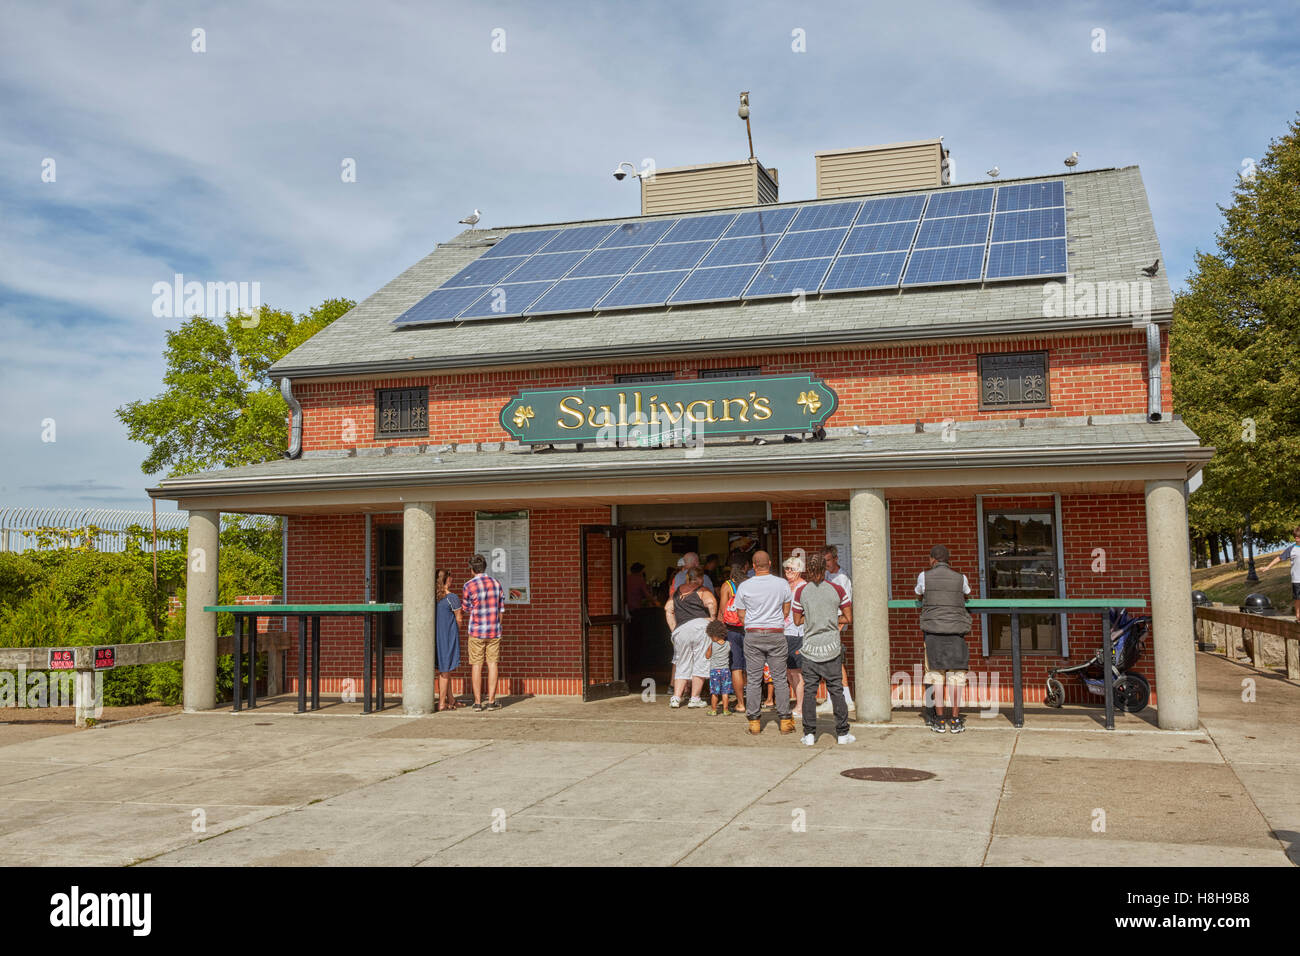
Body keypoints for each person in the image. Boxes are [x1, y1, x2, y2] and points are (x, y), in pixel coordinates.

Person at [793, 552, 854, 745]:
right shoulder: (836, 589)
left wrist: (813, 619)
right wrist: (830, 619)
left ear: (808, 570)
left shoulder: (801, 592)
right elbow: (848, 617)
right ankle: (843, 733)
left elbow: (796, 620)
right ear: (824, 567)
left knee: (810, 690)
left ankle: (809, 734)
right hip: (832, 647)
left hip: (810, 647)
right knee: (836, 689)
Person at [734, 550, 794, 735]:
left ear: (753, 566)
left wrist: (753, 622)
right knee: (780, 678)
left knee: (753, 679)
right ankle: (785, 721)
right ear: (769, 563)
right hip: (776, 633)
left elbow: (741, 614)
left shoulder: (744, 586)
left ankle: (754, 722)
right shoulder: (782, 584)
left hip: (753, 633)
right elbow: (786, 610)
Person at [915, 544, 973, 734]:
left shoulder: (925, 576)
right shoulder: (960, 577)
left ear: (932, 559)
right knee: (956, 677)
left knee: (936, 676)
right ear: (948, 561)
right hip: (956, 632)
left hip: (933, 632)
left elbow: (918, 593)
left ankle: (939, 720)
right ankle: (955, 719)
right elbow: (967, 593)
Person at [665, 566, 717, 708]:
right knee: (701, 661)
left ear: (687, 577)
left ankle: (676, 698)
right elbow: (711, 603)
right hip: (700, 628)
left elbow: (668, 609)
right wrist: (712, 619)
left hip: (681, 631)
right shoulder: (703, 590)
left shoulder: (677, 592)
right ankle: (695, 698)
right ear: (700, 578)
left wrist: (674, 629)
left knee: (682, 663)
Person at [462, 553, 505, 711]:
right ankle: (492, 701)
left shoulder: (468, 585)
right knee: (493, 664)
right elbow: (501, 609)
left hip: (476, 630)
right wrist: (498, 624)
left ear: (472, 569)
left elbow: (466, 608)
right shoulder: (496, 583)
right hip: (494, 630)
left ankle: (478, 702)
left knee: (476, 665)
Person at [817, 545, 856, 714]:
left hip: (834, 623)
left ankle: (843, 698)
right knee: (830, 661)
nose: (825, 564)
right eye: (822, 561)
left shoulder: (842, 578)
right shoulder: (826, 575)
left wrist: (839, 626)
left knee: (834, 661)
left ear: (835, 559)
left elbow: (845, 605)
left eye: (827, 561)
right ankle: (839, 698)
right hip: (826, 621)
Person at [717, 560, 749, 713]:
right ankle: (753, 700)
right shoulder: (751, 583)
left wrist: (717, 632)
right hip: (749, 628)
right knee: (751, 666)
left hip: (732, 630)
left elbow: (723, 611)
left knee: (736, 667)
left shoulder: (727, 586)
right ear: (746, 567)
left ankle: (741, 703)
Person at [435, 569, 463, 712]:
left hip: (436, 637)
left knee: (446, 669)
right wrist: (457, 629)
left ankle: (451, 699)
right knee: (445, 670)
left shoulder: (435, 597)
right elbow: (459, 618)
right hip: (448, 636)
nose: (452, 579)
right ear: (446, 580)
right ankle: (441, 703)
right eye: (450, 577)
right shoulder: (452, 597)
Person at [783, 555, 806, 717]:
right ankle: (797, 701)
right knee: (788, 671)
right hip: (783, 631)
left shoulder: (803, 587)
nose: (788, 571)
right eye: (786, 568)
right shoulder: (785, 586)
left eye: (792, 569)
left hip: (797, 632)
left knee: (796, 671)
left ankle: (801, 706)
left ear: (799, 571)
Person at [1261, 526, 1300, 621]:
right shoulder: (1291, 549)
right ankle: (1298, 616)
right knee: (1298, 598)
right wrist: (1268, 567)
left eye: (1298, 536)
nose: (1296, 538)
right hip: (1297, 578)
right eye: (1295, 537)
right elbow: (1279, 558)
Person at [705, 620, 733, 715]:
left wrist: (709, 650)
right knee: (725, 692)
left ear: (713, 634)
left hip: (714, 672)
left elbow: (707, 656)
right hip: (725, 671)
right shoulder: (728, 644)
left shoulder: (712, 645)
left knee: (715, 692)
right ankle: (725, 710)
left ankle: (713, 710)